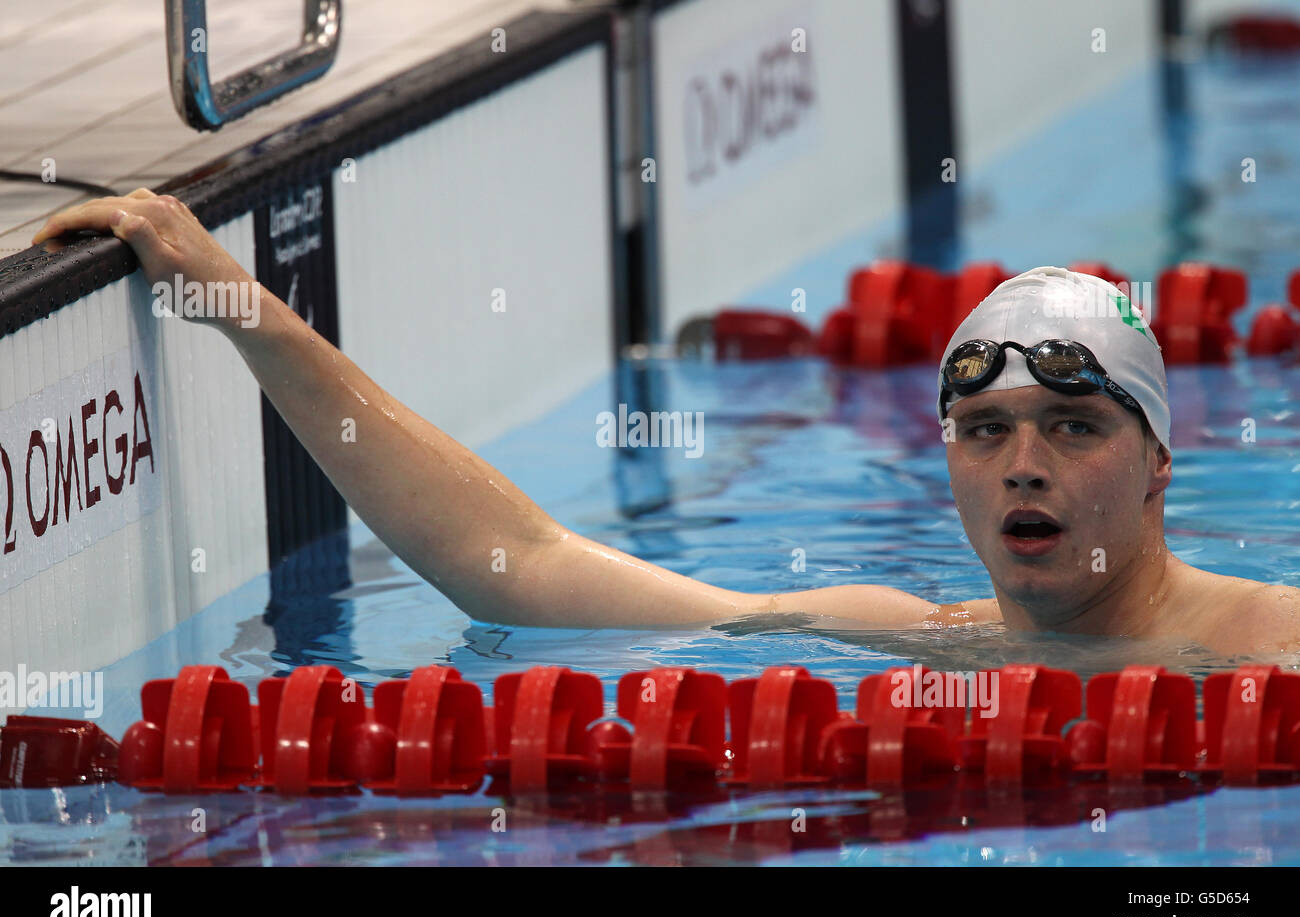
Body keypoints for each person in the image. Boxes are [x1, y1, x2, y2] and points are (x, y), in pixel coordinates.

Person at [29, 191, 1298, 649]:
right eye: (984, 429)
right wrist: (243, 306)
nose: (1022, 462)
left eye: (1073, 424)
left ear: (1158, 470)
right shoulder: (921, 642)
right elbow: (521, 567)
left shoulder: (1273, 643)